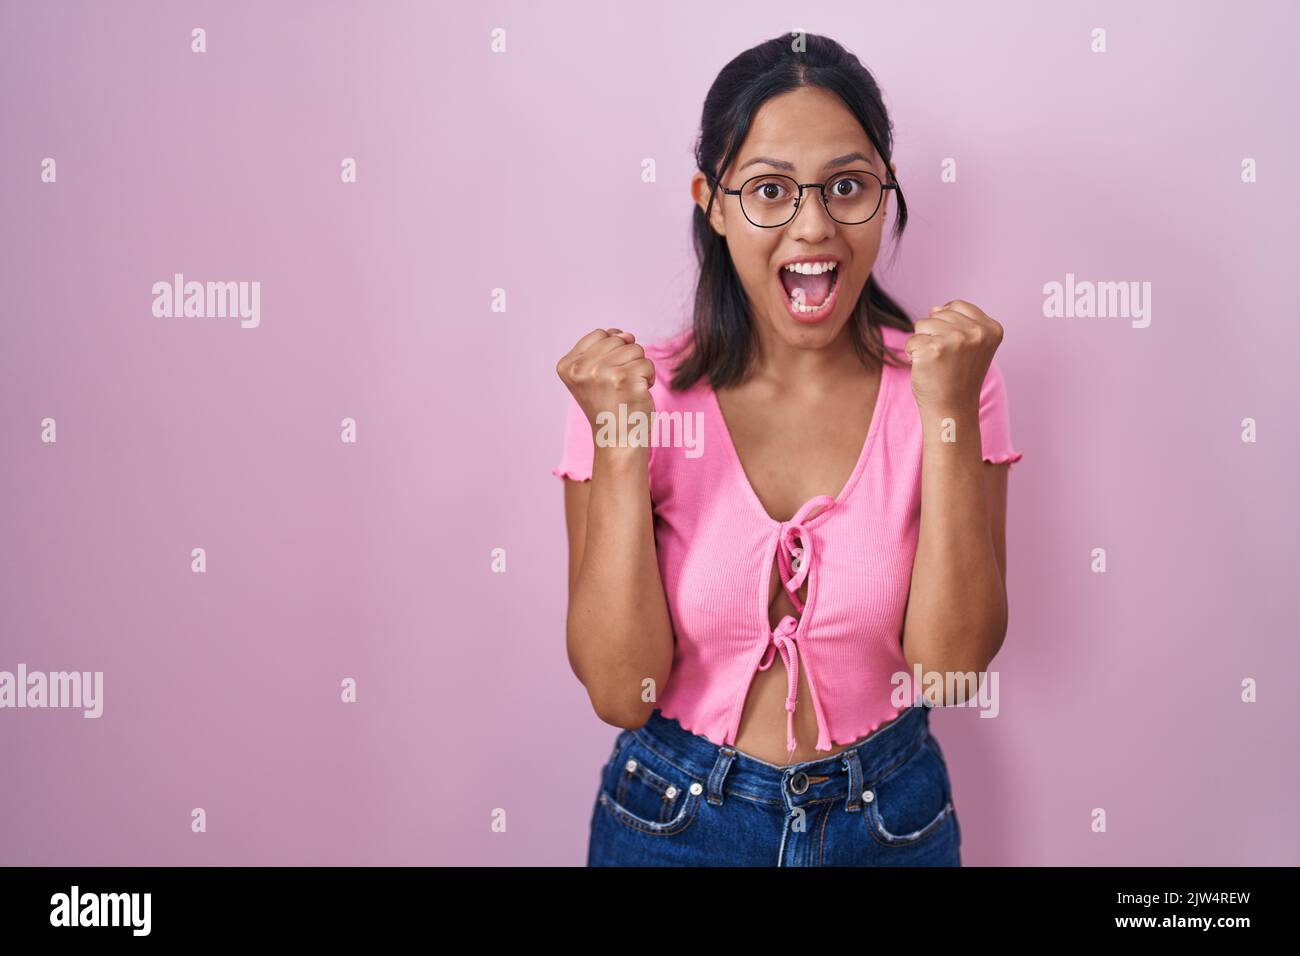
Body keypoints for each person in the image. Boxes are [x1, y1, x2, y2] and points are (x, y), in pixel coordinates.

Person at [552, 33, 1022, 866]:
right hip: (669, 825)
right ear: (714, 202)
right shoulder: (631, 394)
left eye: (848, 186)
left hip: (891, 823)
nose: (814, 226)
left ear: (886, 195)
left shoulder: (953, 381)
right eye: (770, 189)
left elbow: (950, 675)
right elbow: (623, 693)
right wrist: (622, 441)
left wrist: (946, 413)